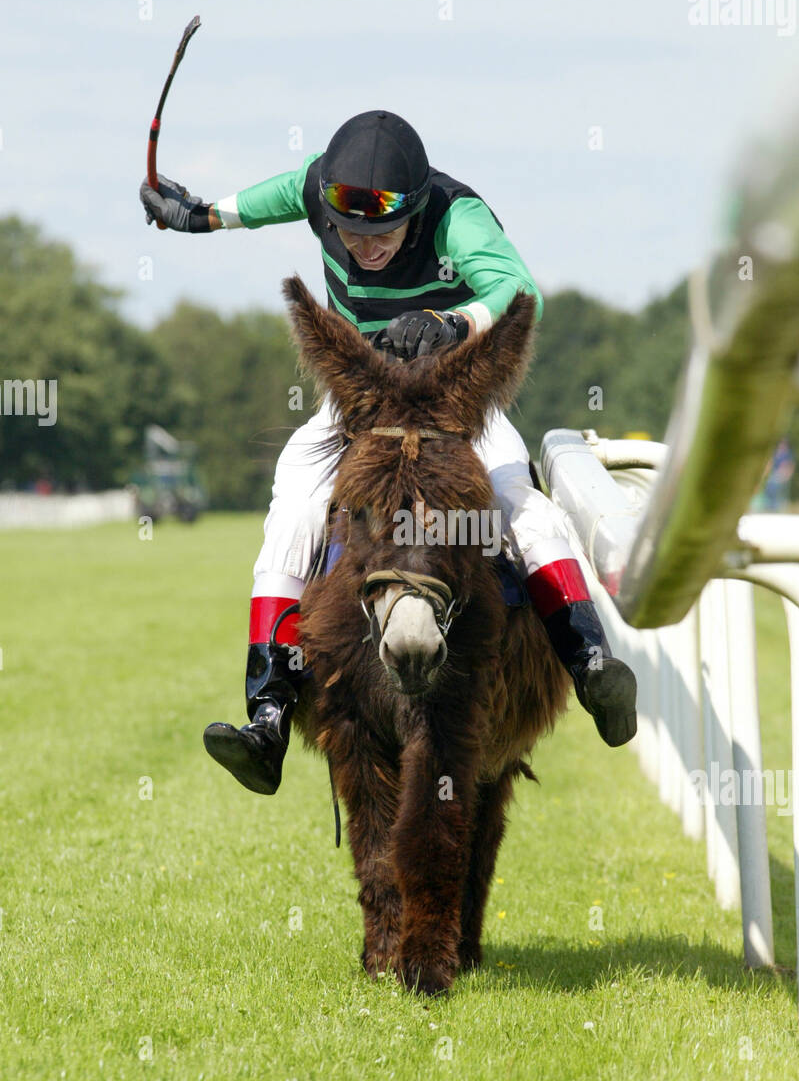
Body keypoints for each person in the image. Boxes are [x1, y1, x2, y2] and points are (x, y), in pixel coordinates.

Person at [140, 110, 638, 795]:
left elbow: (522, 293)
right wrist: (197, 215)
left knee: (524, 510)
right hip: (361, 402)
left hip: (454, 401)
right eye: (350, 231)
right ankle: (269, 715)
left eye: (382, 232)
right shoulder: (323, 187)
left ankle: (590, 668)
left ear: (416, 207)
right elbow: (265, 201)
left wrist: (449, 321)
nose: (364, 246)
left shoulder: (455, 214)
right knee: (292, 511)